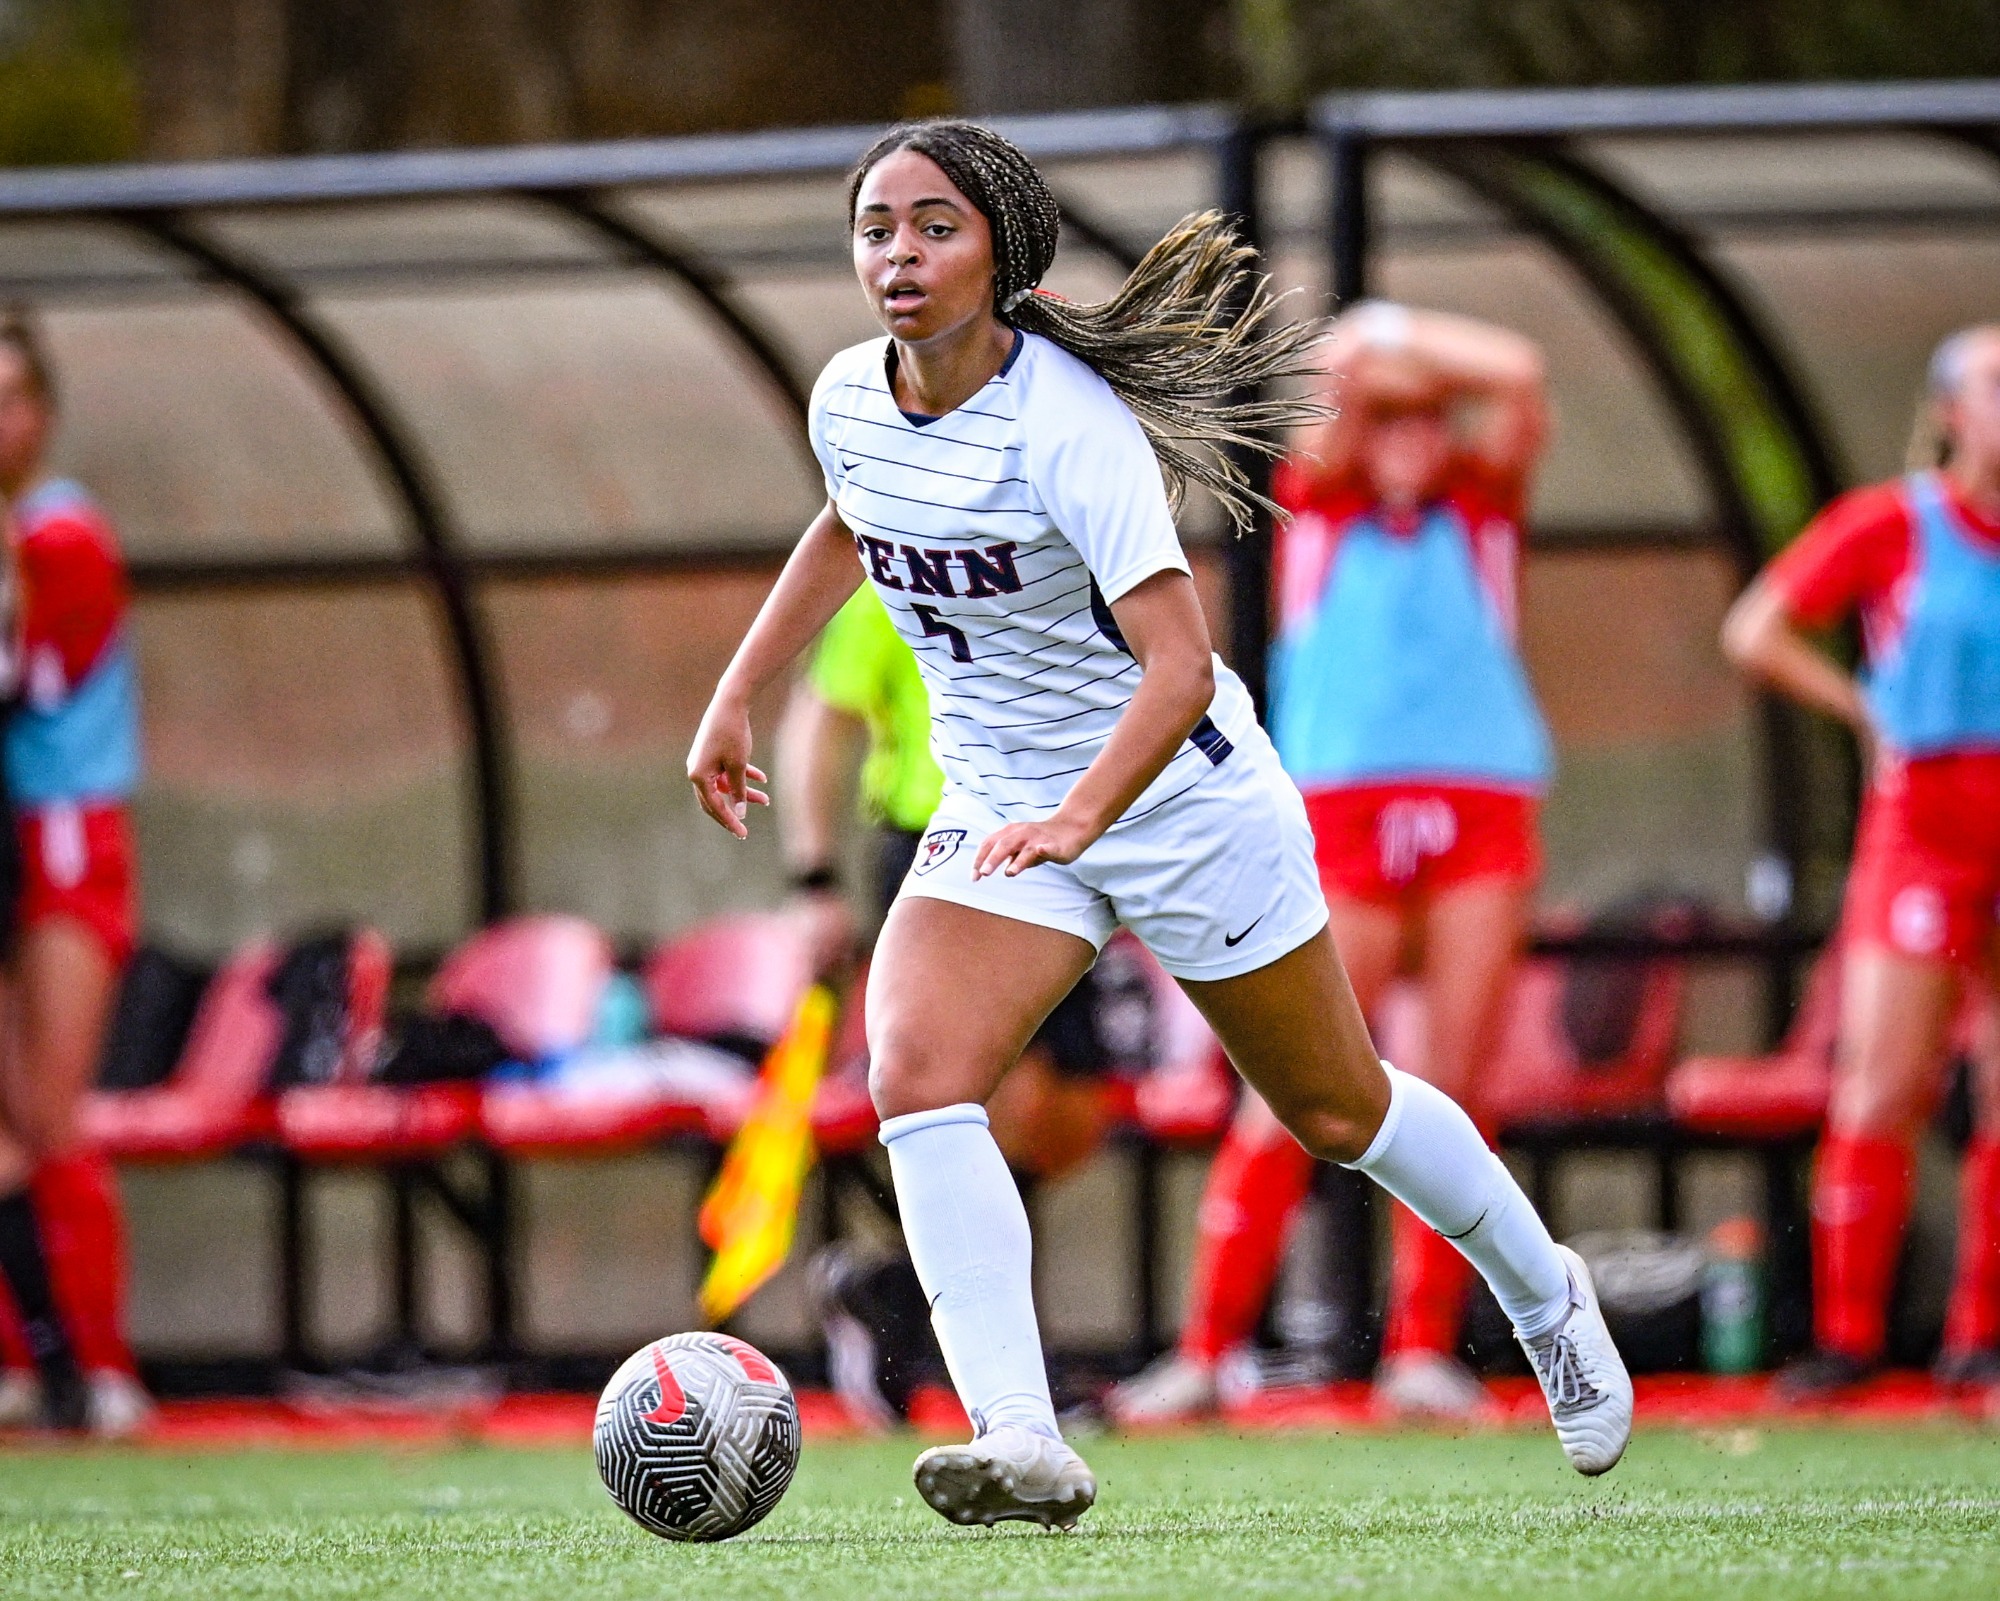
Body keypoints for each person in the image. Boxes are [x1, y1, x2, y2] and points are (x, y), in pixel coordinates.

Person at [687, 119, 1630, 1529]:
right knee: (916, 1070)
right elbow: (848, 517)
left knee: (1335, 1107)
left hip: (1180, 798)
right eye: (878, 227)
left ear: (1001, 250)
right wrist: (738, 693)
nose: (899, 254)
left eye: (933, 226)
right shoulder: (849, 398)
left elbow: (1180, 664)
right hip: (1012, 811)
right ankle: (1022, 1433)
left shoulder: (1067, 422)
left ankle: (1546, 1290)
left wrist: (1082, 818)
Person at [1110, 304, 1553, 1423]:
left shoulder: (1481, 508)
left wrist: (1399, 339)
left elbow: (1518, 365)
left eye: (1426, 417)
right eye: (1385, 416)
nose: (1406, 435)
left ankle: (1418, 1351)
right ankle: (1206, 1349)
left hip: (1477, 808)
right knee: (1298, 1085)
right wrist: (1383, 344)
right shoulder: (1317, 502)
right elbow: (1318, 374)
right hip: (1346, 816)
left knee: (1455, 1087)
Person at [1723, 324, 2000, 1395]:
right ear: (1945, 411)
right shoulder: (1891, 523)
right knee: (1881, 1083)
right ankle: (1845, 1336)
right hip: (1919, 823)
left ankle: (1975, 1338)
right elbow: (1756, 628)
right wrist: (1860, 709)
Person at [781, 585, 1120, 1424]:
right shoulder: (897, 574)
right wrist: (814, 876)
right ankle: (1013, 1378)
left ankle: (887, 1289)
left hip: (1055, 847)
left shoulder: (1056, 562)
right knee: (995, 1104)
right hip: (942, 845)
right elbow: (812, 725)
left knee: (1071, 1117)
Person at [0, 311, 148, 1434]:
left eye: (10, 396)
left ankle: (99, 1367)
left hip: (62, 833)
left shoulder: (61, 535)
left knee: (53, 1110)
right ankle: (28, 1359)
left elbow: (23, 666)